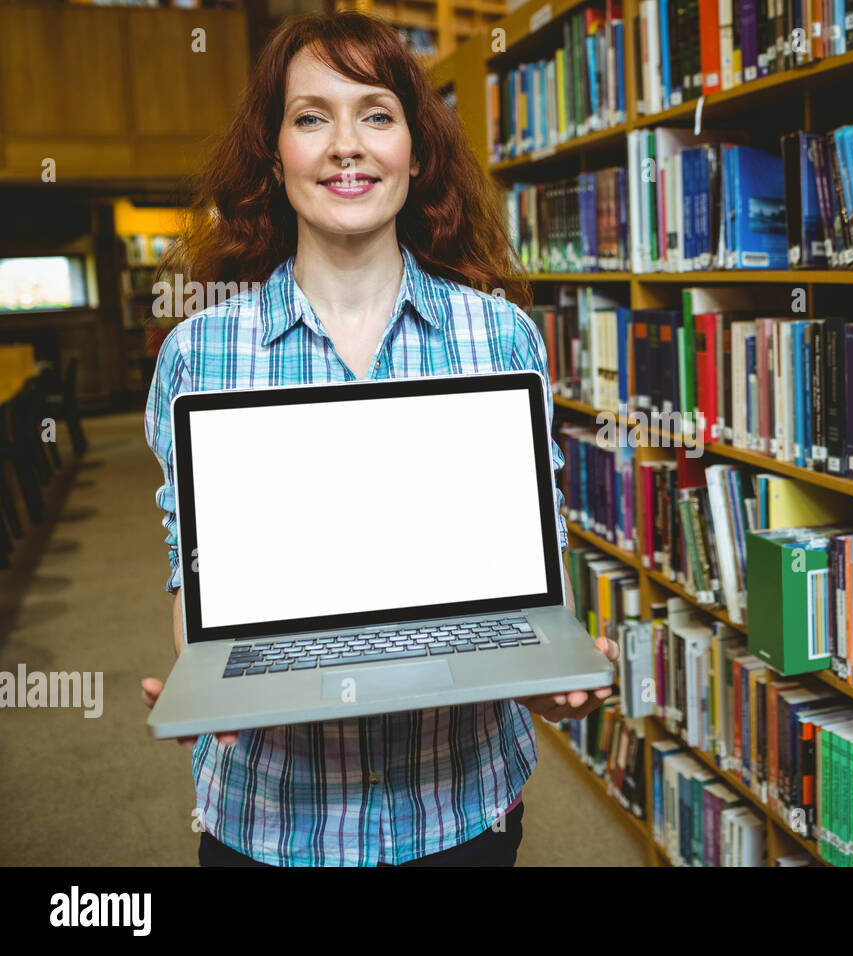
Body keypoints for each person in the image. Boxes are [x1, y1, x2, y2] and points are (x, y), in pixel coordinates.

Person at [139, 11, 618, 867]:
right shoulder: (200, 352)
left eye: (377, 114)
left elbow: (526, 562)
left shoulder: (499, 338)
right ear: (273, 154)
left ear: (416, 151)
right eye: (311, 117)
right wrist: (206, 681)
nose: (346, 145)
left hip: (462, 807)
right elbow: (196, 575)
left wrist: (552, 671)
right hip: (270, 820)